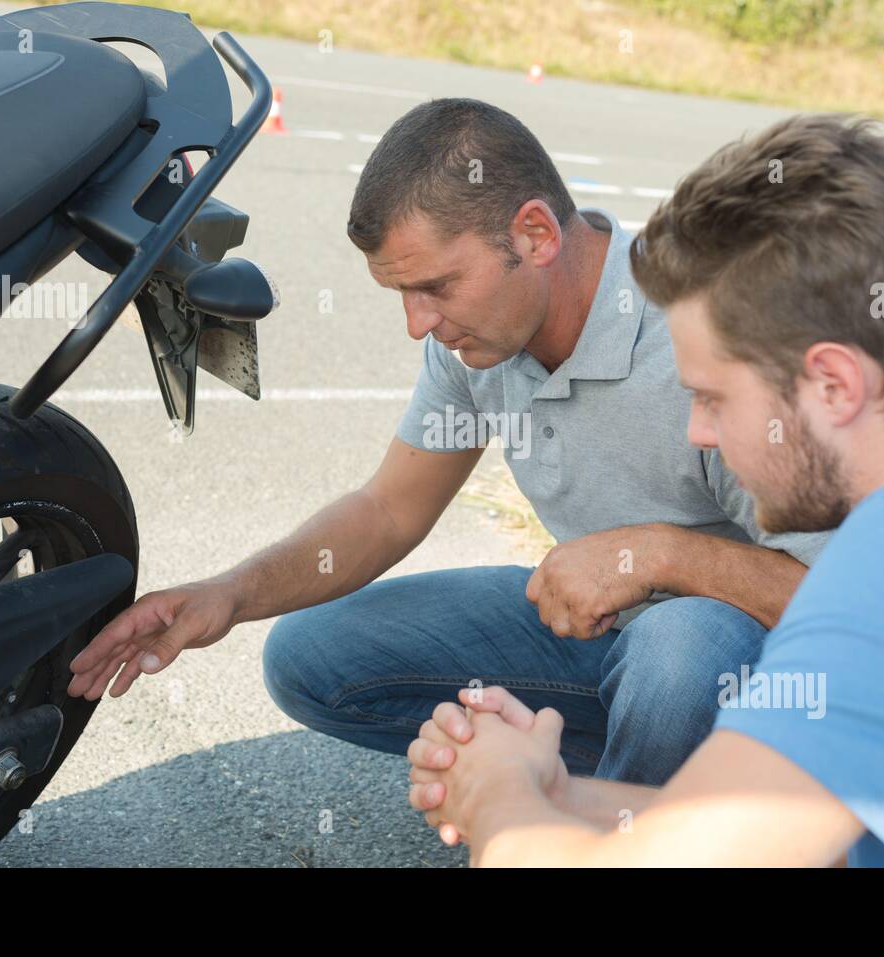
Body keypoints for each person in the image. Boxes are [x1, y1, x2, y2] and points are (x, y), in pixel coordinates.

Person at [405, 113, 884, 867]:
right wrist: (559, 793)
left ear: (834, 384)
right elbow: (776, 827)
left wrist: (497, 792)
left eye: (713, 396)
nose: (700, 432)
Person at [66, 99, 827, 787]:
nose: (417, 324)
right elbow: (388, 510)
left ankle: (628, 825)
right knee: (311, 655)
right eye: (403, 294)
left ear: (534, 234)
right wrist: (227, 595)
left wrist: (659, 553)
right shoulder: (477, 341)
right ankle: (640, 770)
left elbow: (851, 604)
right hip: (600, 628)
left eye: (434, 286)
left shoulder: (706, 339)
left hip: (747, 664)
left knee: (683, 645)